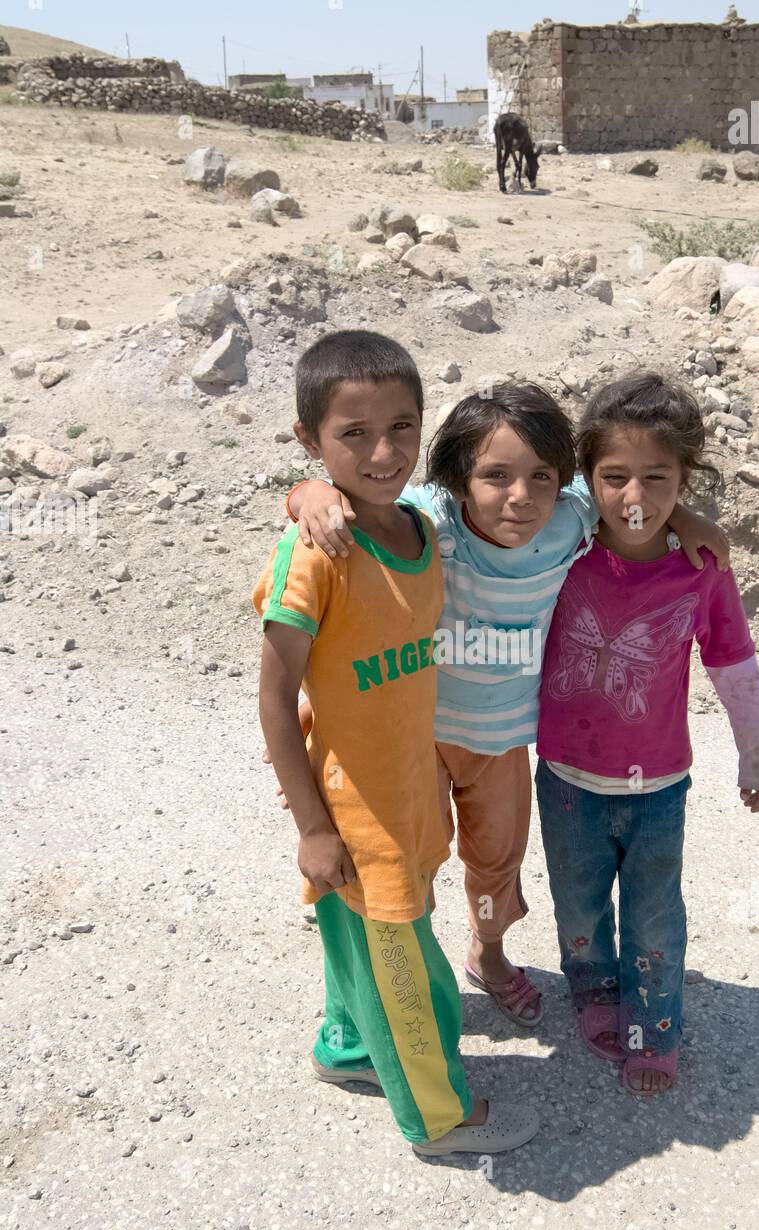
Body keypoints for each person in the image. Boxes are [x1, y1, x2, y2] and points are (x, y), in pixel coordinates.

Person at [281, 381, 732, 1029]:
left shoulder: (569, 518)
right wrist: (310, 493)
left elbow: (626, 499)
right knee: (417, 859)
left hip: (502, 744)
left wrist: (686, 518)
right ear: (458, 481)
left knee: (496, 865)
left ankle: (486, 953)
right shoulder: (429, 521)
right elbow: (338, 502)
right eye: (495, 476)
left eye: (539, 476)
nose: (520, 497)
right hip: (420, 741)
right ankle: (421, 970)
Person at [253, 329, 538, 1156]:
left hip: (408, 787)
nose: (383, 451)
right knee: (407, 966)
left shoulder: (415, 524)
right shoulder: (315, 554)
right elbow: (274, 697)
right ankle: (439, 1117)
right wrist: (311, 827)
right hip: (354, 806)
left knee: (358, 940)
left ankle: (346, 1049)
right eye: (352, 435)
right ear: (311, 440)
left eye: (401, 428)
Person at [534, 370, 759, 1096]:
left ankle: (652, 1027)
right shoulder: (559, 548)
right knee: (577, 908)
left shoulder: (701, 569)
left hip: (657, 790)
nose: (633, 498)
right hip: (564, 781)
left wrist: (755, 757)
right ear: (585, 477)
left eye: (657, 478)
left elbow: (733, 666)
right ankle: (593, 994)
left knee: (653, 919)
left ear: (684, 478)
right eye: (613, 476)